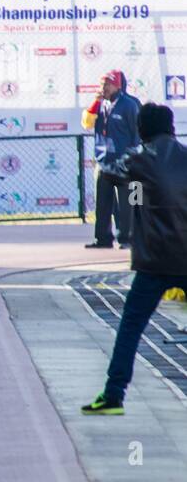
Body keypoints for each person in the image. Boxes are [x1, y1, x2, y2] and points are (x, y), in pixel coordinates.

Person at [83, 103, 187, 415]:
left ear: (141, 130)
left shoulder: (139, 158)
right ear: (171, 127)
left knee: (130, 327)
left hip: (153, 262)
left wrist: (137, 191)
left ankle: (114, 395)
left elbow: (113, 173)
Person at [85, 69, 142, 250]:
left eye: (107, 85)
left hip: (123, 162)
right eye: (102, 84)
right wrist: (95, 102)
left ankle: (126, 238)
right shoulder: (100, 105)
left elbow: (136, 133)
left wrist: (133, 157)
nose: (104, 88)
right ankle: (102, 238)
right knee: (102, 203)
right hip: (103, 162)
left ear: (117, 85)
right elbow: (87, 123)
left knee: (126, 204)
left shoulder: (129, 105)